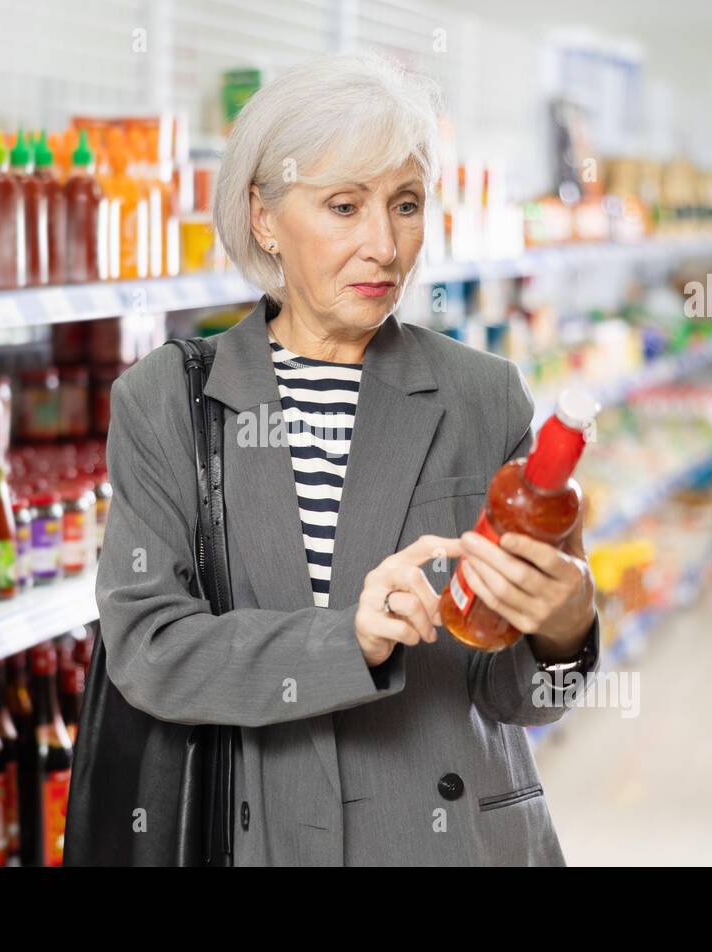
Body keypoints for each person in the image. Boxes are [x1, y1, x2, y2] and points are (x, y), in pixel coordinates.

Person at [95, 52, 599, 866]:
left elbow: (520, 698)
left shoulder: (482, 396)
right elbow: (149, 651)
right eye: (343, 206)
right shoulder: (167, 403)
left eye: (405, 205)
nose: (383, 245)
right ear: (263, 216)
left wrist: (564, 631)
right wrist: (347, 641)